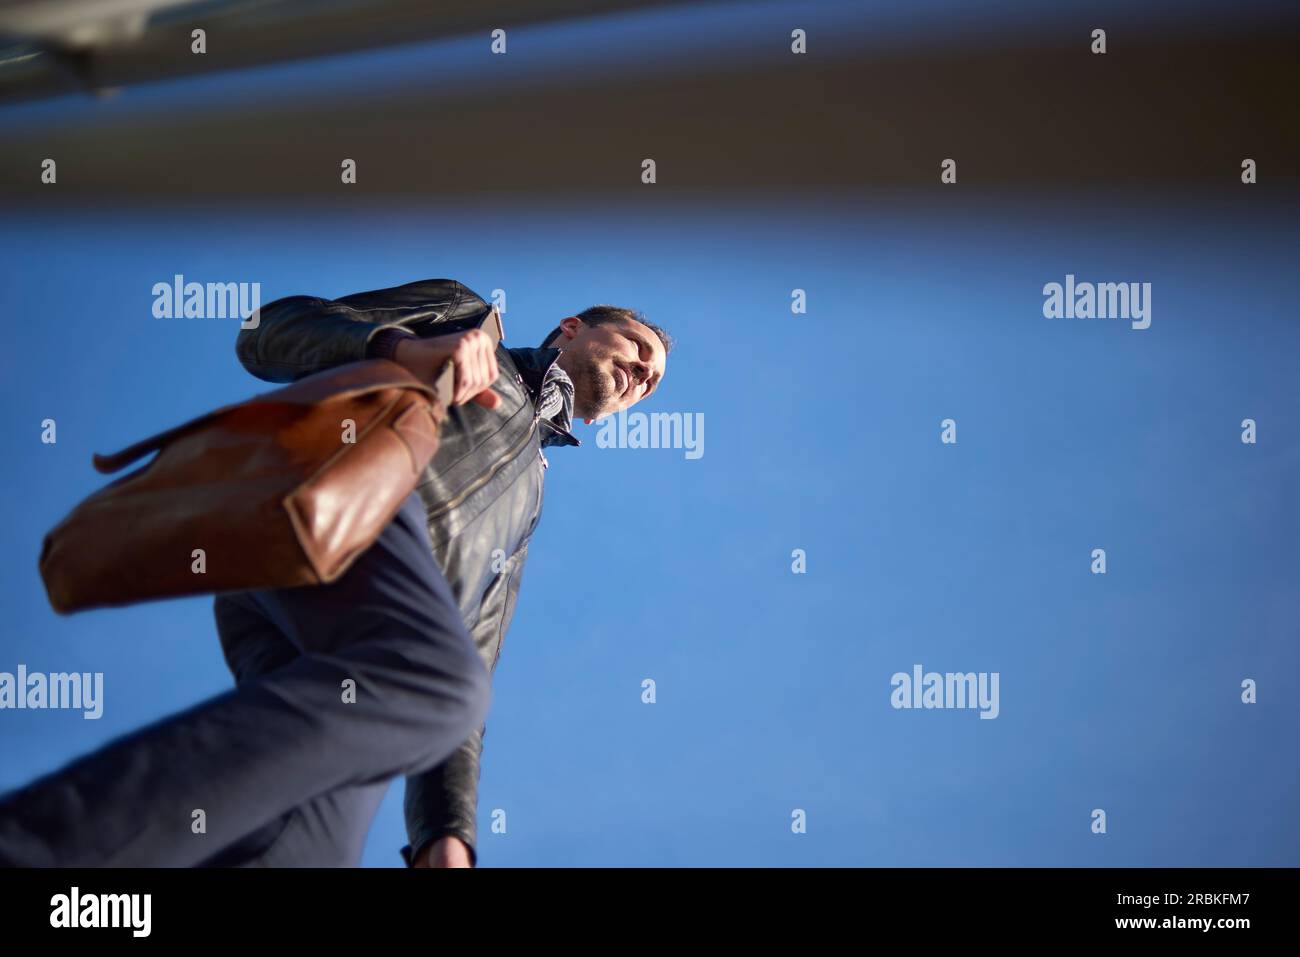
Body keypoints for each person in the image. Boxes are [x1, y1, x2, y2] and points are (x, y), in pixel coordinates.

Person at [0, 278, 670, 868]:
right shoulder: (469, 320)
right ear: (574, 327)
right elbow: (268, 330)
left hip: (340, 635)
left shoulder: (529, 500)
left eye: (655, 379)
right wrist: (401, 349)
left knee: (306, 843)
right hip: (335, 506)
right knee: (435, 682)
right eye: (639, 348)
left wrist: (447, 833)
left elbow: (474, 654)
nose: (644, 373)